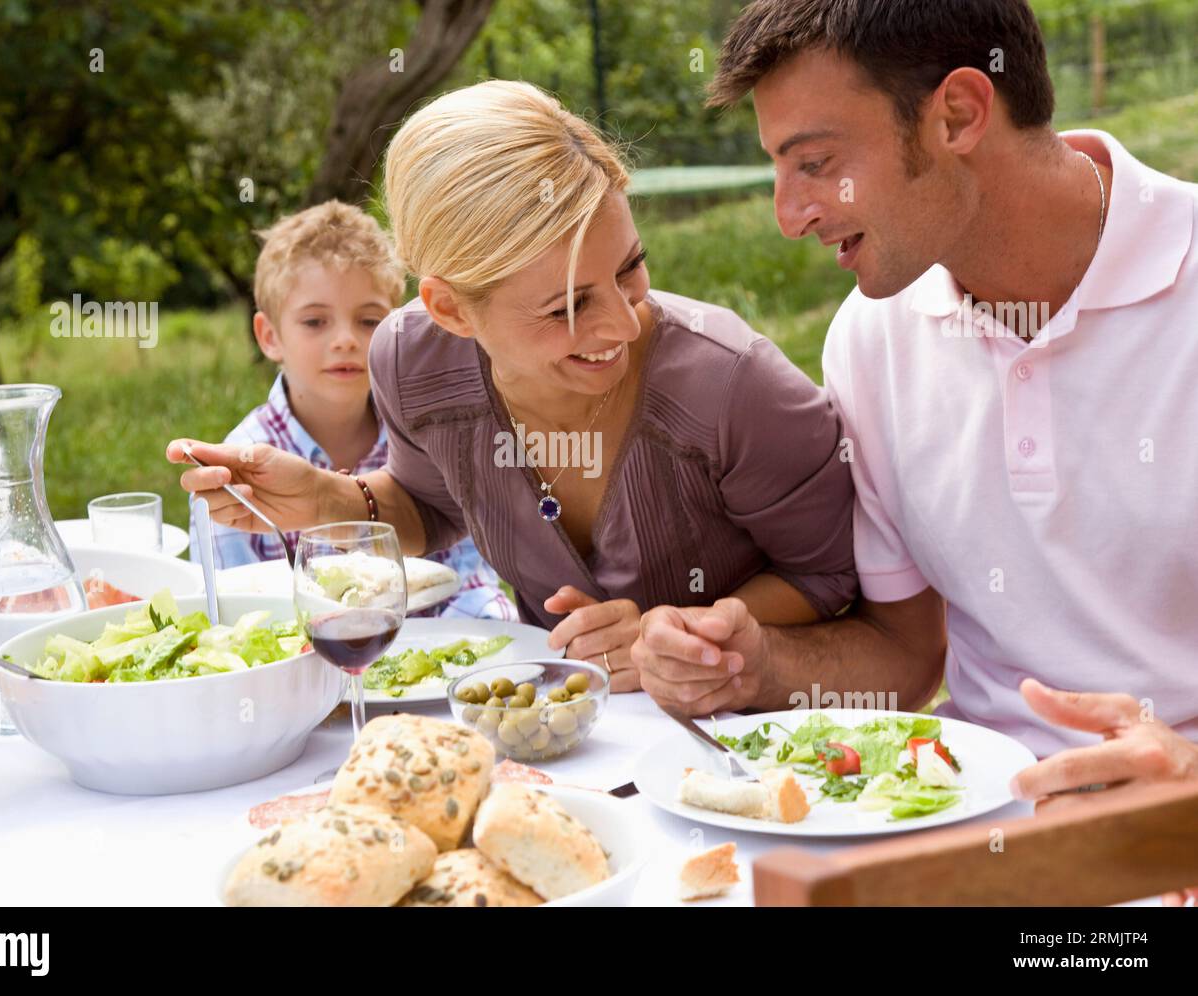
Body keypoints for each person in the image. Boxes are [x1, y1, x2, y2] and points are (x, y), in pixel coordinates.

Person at [631, 0, 1198, 903]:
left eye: (816, 164)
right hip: (962, 839)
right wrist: (756, 664)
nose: (790, 215)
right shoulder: (871, 336)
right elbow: (904, 657)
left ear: (960, 114)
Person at [169, 80, 858, 692]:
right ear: (451, 310)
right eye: (568, 306)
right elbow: (432, 506)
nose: (621, 321)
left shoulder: (731, 383)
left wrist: (678, 632)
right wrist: (330, 500)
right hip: (557, 739)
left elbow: (834, 578)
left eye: (631, 268)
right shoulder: (412, 360)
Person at [194, 199, 514, 620]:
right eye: (315, 322)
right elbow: (237, 617)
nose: (345, 340)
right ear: (269, 336)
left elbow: (468, 586)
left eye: (368, 321)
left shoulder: (432, 436)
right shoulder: (240, 468)